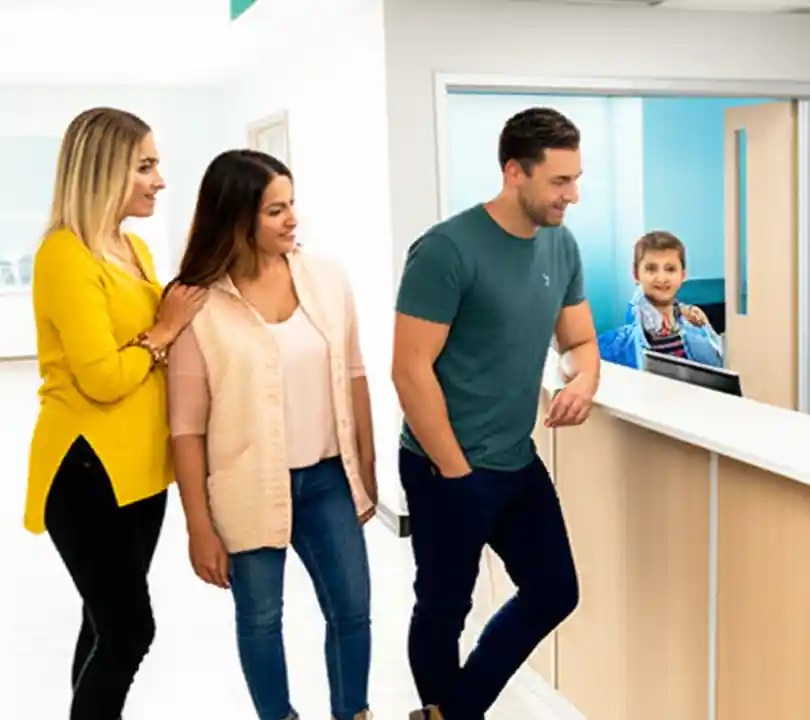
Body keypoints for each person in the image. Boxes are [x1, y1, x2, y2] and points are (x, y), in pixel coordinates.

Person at [392, 107, 600, 720]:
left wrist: (583, 379)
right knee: (443, 608)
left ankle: (452, 712)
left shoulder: (561, 245)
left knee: (555, 590)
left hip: (515, 460)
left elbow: (579, 340)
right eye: (560, 182)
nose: (574, 195)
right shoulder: (446, 249)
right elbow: (409, 369)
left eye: (577, 178)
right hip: (443, 464)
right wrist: (455, 473)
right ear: (515, 172)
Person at [165, 149, 378, 720]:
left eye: (291, 205)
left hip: (329, 477)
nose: (291, 219)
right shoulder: (196, 301)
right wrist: (198, 527)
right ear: (236, 217)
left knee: (353, 610)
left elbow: (354, 373)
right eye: (274, 210)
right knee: (261, 620)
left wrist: (368, 468)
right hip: (247, 484)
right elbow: (185, 428)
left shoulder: (326, 279)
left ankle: (353, 713)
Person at [25, 107, 207, 718]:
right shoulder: (64, 255)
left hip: (140, 471)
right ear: (105, 171)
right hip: (84, 472)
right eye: (146, 166)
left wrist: (162, 335)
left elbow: (149, 349)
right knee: (131, 631)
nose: (160, 180)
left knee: (103, 625)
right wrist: (163, 332)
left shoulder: (131, 248)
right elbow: (103, 378)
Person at [598, 230, 724, 369]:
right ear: (636, 275)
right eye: (651, 269)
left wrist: (701, 326)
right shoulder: (625, 338)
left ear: (683, 275)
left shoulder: (693, 323)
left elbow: (716, 365)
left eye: (670, 269)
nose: (661, 278)